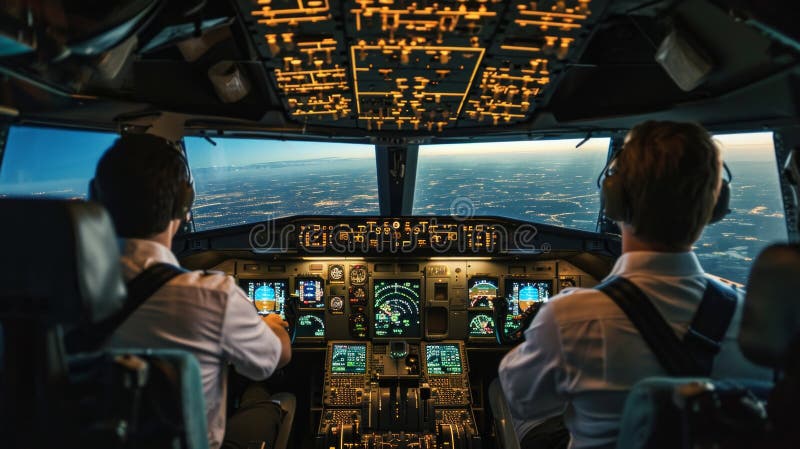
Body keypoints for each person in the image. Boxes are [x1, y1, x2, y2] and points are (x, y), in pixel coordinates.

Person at [498, 121, 771, 449]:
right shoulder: (755, 323)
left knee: (500, 391)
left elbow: (523, 401)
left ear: (614, 199)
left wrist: (536, 335)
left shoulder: (569, 318)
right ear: (715, 205)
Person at [91, 133, 292, 449]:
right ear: (184, 207)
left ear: (95, 199)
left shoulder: (47, 297)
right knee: (280, 400)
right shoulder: (213, 297)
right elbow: (273, 360)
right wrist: (274, 327)